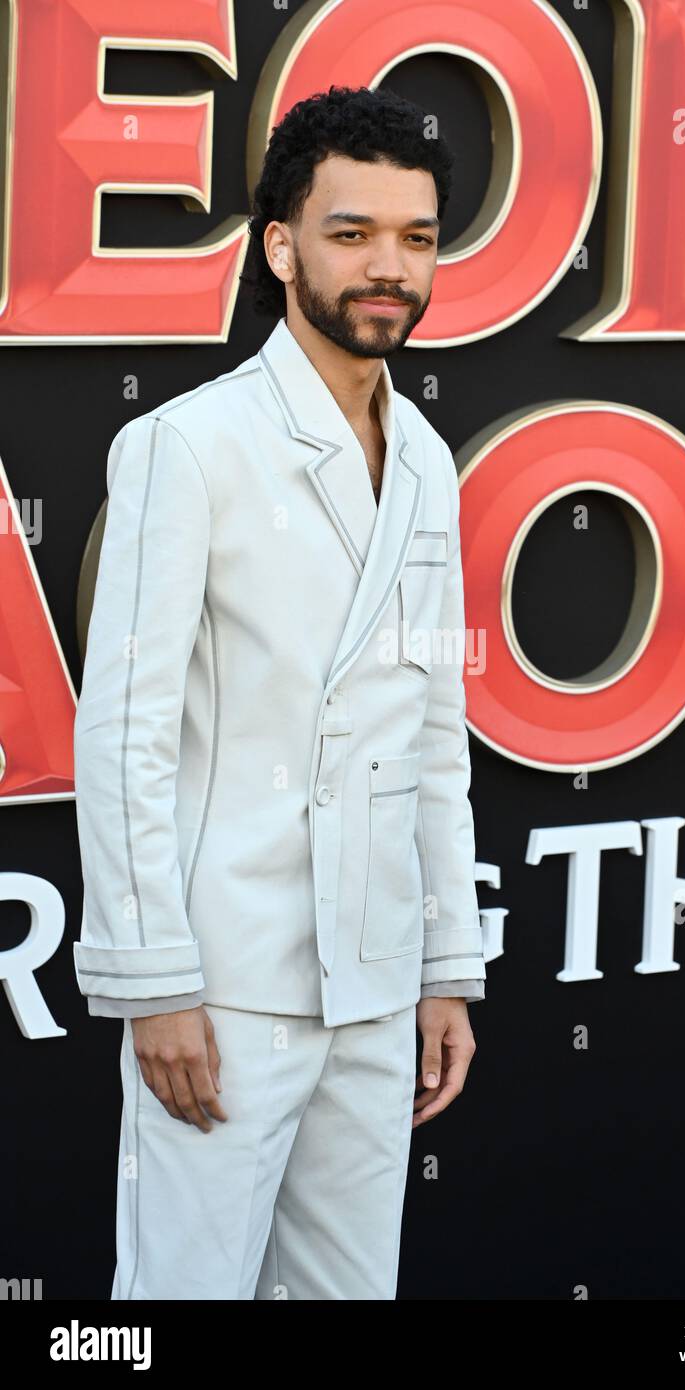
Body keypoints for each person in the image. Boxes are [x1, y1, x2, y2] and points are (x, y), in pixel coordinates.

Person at [72, 84, 487, 1300]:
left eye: (415, 239)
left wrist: (444, 965)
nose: (388, 269)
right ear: (281, 245)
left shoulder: (424, 460)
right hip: (226, 984)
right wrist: (155, 983)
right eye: (352, 233)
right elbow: (126, 732)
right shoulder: (187, 446)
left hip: (372, 979)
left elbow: (433, 733)